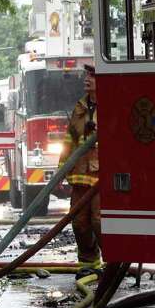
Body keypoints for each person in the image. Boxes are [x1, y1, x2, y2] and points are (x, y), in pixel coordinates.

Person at [61, 64, 100, 275]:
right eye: (87, 75)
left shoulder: (113, 105)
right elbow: (69, 140)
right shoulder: (79, 107)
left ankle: (112, 265)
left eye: (93, 75)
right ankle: (89, 265)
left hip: (101, 177)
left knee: (99, 221)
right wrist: (61, 170)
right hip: (79, 175)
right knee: (79, 223)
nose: (87, 78)